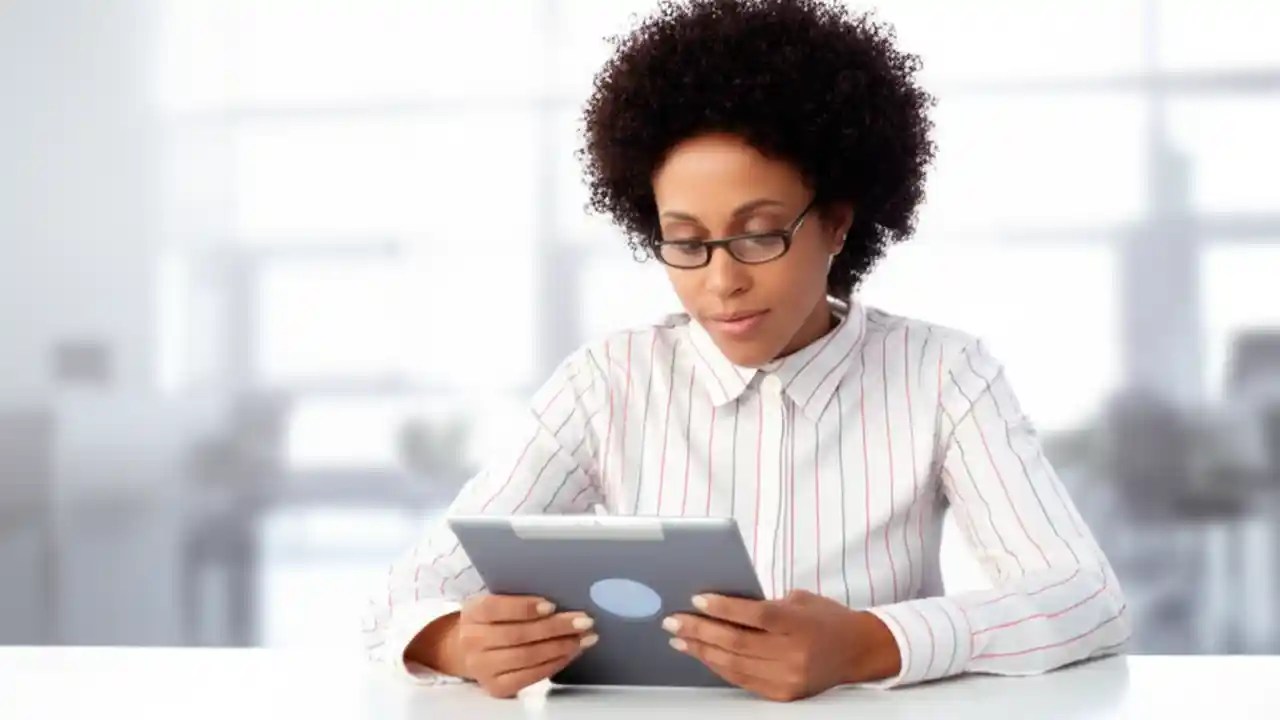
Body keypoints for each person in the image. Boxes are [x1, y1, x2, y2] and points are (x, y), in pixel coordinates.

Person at [363, 0, 1129, 702]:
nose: (722, 282)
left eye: (761, 233)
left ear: (836, 224)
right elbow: (403, 596)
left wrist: (866, 644)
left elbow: (1085, 599)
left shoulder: (942, 377)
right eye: (687, 243)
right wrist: (458, 640)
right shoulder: (608, 384)